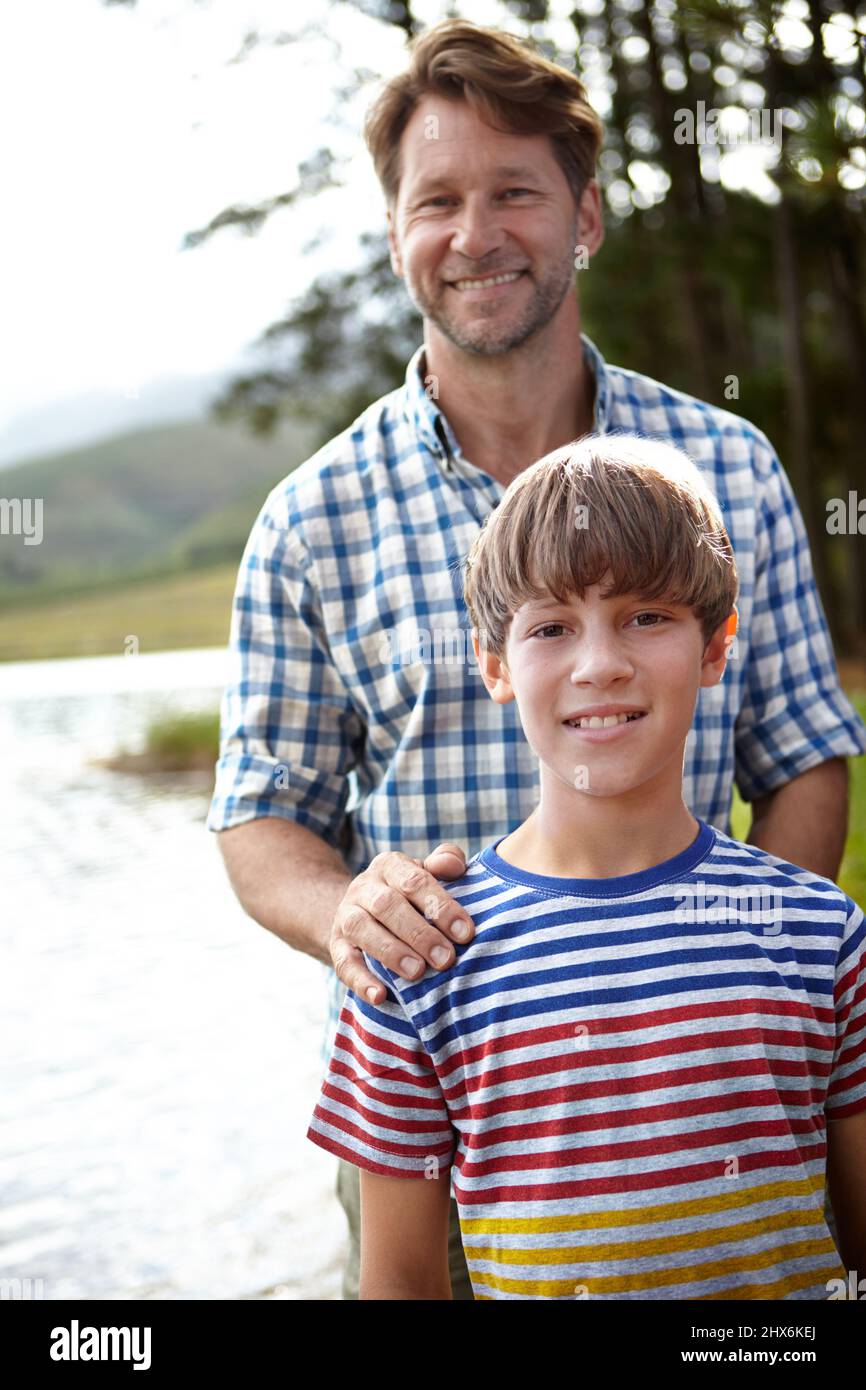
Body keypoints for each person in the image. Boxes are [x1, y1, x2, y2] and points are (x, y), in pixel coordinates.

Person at [207, 20, 866, 1299]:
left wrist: (734, 985)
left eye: (515, 191)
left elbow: (804, 752)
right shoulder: (307, 518)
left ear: (585, 216)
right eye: (435, 201)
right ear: (395, 231)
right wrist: (350, 913)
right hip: (439, 1087)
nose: (474, 234)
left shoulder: (727, 466)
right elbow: (259, 821)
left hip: (724, 1086)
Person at [306, 433, 866, 1301]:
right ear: (495, 664)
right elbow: (401, 1289)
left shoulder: (821, 932)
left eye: (647, 616)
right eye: (552, 627)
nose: (601, 664)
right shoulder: (419, 960)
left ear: (717, 647)